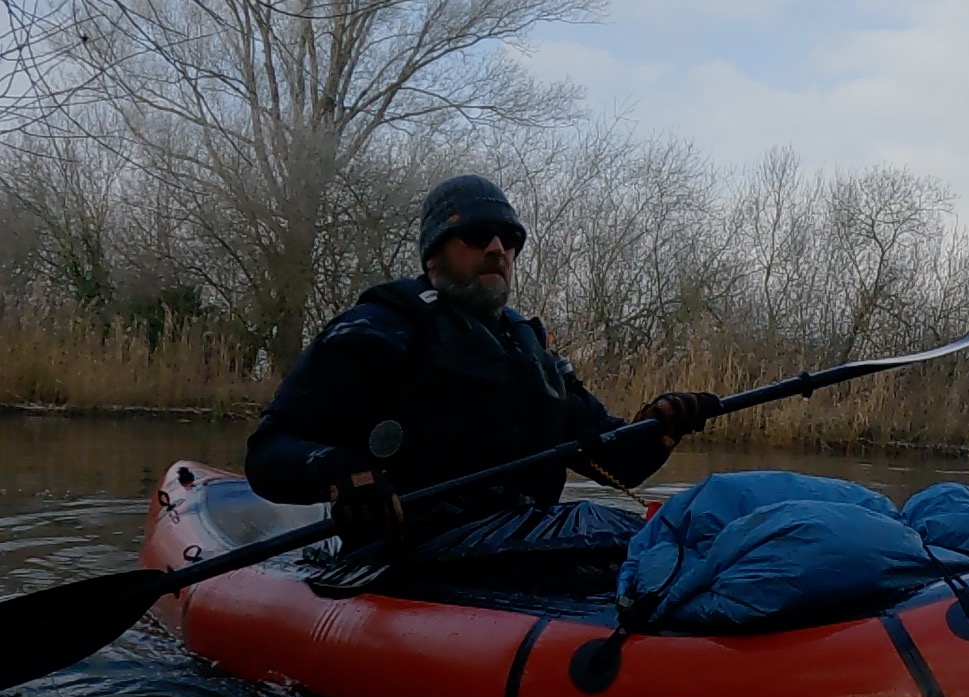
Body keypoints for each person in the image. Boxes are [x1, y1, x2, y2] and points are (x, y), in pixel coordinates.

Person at [245, 174, 716, 547]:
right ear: (433, 256)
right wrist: (343, 473)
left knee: (671, 536)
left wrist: (659, 427)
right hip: (410, 553)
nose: (497, 249)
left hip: (523, 549)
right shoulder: (377, 330)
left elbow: (614, 463)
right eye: (475, 236)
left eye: (509, 239)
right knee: (600, 529)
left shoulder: (530, 348)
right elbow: (267, 452)